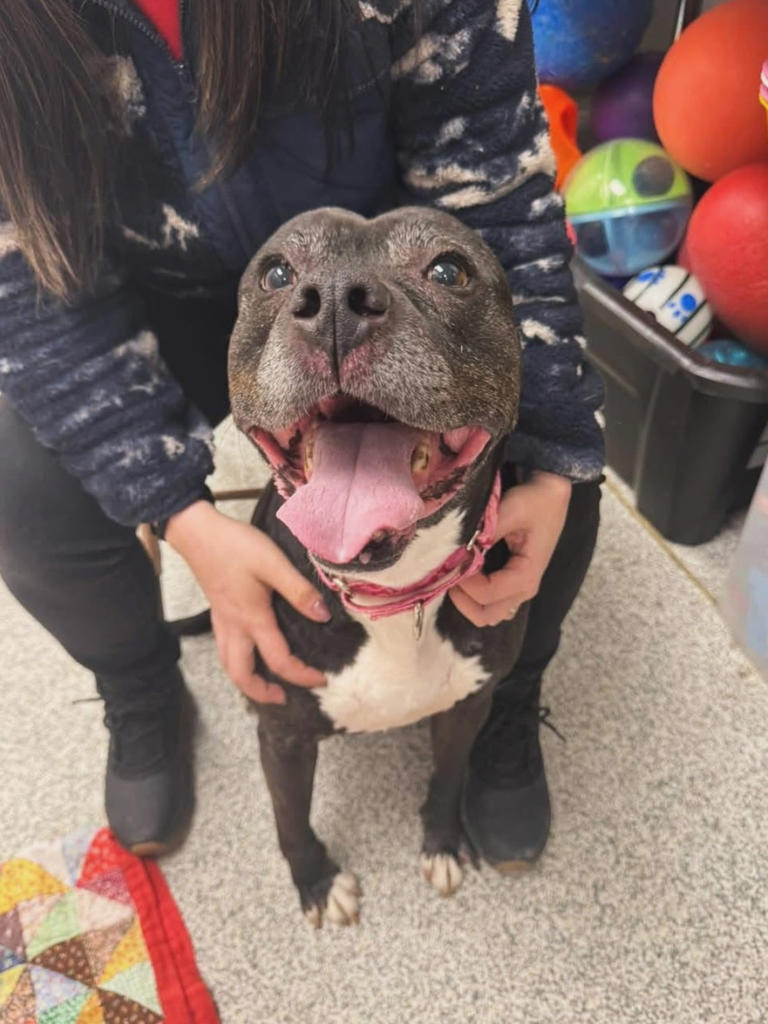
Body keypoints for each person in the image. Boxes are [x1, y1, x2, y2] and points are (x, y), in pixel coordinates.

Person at [0, 0, 603, 866]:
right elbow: (29, 296)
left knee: (564, 453)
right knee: (25, 492)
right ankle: (138, 685)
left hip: (402, 261)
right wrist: (183, 517)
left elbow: (501, 201)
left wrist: (552, 455)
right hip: (154, 295)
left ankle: (504, 687)